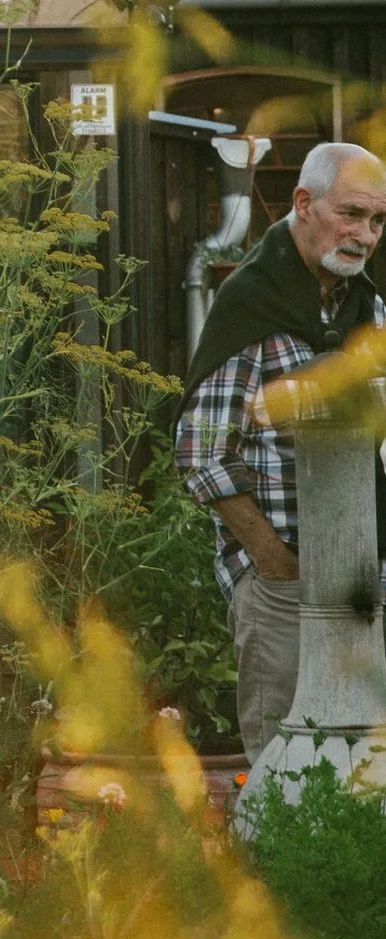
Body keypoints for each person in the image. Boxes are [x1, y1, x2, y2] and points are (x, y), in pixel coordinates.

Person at [176, 136, 386, 762]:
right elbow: (201, 452)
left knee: (363, 772)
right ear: (303, 202)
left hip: (362, 582)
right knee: (284, 769)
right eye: (352, 213)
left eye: (378, 220)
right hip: (285, 586)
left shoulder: (366, 308)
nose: (366, 234)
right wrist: (274, 563)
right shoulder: (252, 302)